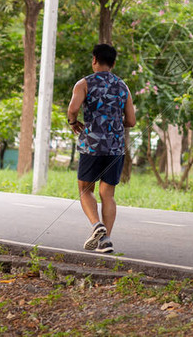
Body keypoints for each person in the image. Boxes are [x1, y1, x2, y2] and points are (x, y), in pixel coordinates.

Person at [67, 43, 136, 254]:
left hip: (92, 147)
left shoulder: (84, 83)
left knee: (85, 190)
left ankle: (97, 225)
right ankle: (106, 241)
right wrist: (113, 124)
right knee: (108, 194)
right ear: (113, 63)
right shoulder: (123, 87)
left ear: (94, 60)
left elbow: (73, 109)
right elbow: (131, 121)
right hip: (115, 148)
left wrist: (73, 122)